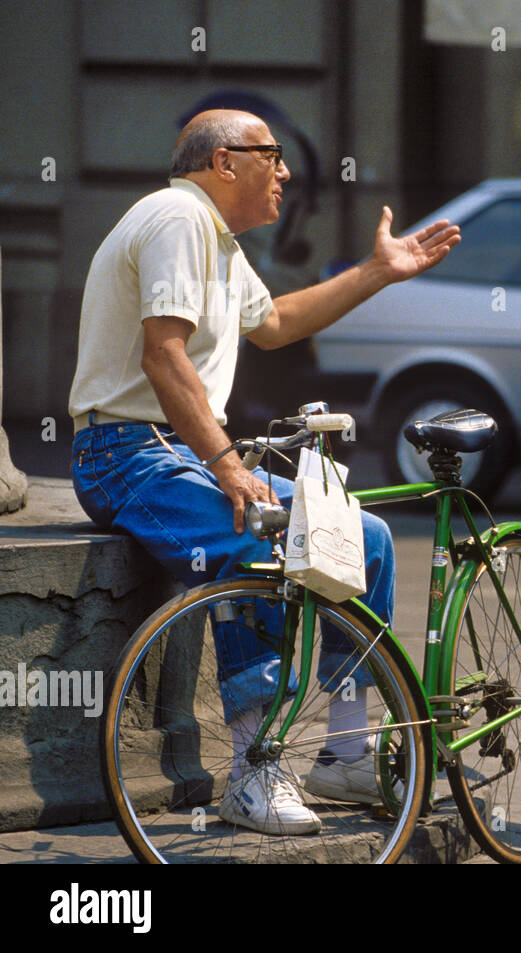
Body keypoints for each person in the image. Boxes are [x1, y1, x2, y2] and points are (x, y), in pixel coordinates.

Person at [69, 109, 460, 835]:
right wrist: (225, 463)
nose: (284, 172)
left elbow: (274, 322)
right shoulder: (178, 218)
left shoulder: (215, 237)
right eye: (271, 156)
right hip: (126, 455)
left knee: (366, 536)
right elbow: (163, 354)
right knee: (257, 535)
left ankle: (344, 750)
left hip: (177, 451)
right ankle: (252, 769)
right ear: (224, 161)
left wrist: (377, 271)